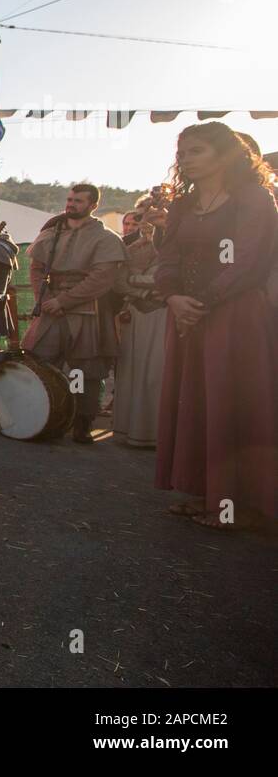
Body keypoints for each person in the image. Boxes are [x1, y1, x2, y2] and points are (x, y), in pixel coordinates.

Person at [154, 123, 277, 529]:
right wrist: (173, 297)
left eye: (197, 151)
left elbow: (246, 261)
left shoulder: (254, 199)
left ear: (225, 154)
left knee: (232, 402)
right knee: (199, 401)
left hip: (234, 316)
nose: (186, 159)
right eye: (183, 152)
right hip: (187, 315)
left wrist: (200, 304)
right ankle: (211, 493)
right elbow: (167, 258)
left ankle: (240, 505)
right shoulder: (183, 206)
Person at [22, 184, 128, 443]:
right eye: (70, 199)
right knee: (42, 363)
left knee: (85, 370)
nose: (71, 204)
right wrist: (46, 299)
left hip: (88, 311)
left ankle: (82, 422)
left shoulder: (106, 239)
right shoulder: (51, 234)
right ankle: (43, 418)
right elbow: (36, 269)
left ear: (93, 205)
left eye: (79, 200)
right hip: (50, 309)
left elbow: (101, 278)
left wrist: (64, 301)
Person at [112, 204, 167, 448]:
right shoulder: (129, 248)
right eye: (142, 219)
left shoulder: (171, 246)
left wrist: (137, 282)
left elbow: (169, 279)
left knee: (157, 372)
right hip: (136, 313)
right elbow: (118, 282)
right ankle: (131, 430)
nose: (145, 224)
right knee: (133, 371)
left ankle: (156, 432)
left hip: (164, 314)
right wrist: (143, 290)